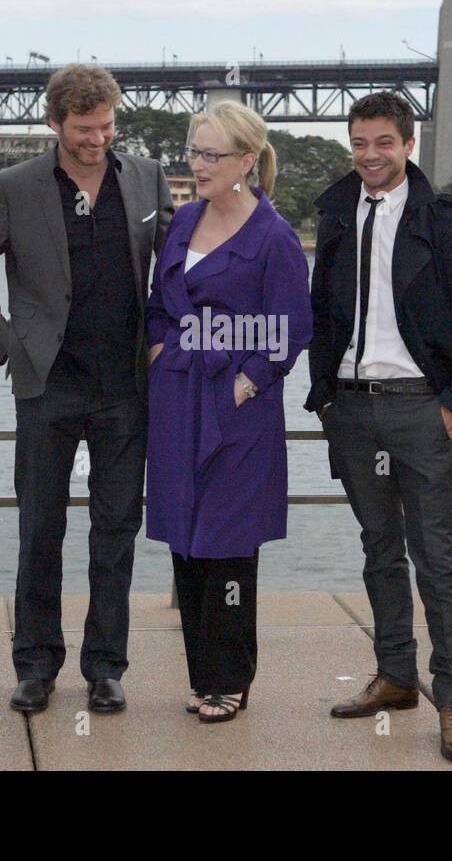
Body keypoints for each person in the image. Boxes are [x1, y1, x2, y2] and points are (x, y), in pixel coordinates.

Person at [0, 63, 175, 715]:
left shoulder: (147, 179)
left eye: (106, 126)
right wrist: (8, 343)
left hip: (125, 387)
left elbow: (181, 264)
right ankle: (36, 665)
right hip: (46, 385)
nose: (98, 139)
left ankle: (105, 666)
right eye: (84, 129)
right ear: (54, 123)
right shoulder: (14, 187)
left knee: (117, 529)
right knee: (40, 528)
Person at [305, 91, 452, 761]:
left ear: (408, 145)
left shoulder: (440, 218)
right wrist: (324, 396)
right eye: (358, 143)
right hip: (352, 408)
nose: (369, 155)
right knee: (377, 547)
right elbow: (321, 313)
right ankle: (394, 676)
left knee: (435, 558)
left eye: (383, 142)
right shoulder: (335, 211)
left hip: (421, 407)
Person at [144, 101, 311, 723]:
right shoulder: (183, 221)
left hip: (236, 411)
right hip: (176, 399)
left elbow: (293, 328)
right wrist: (161, 347)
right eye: (193, 152)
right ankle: (201, 674)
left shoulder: (275, 236)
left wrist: (245, 381)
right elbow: (159, 302)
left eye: (211, 155)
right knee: (187, 541)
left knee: (229, 544)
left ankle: (231, 679)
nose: (197, 165)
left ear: (246, 161)